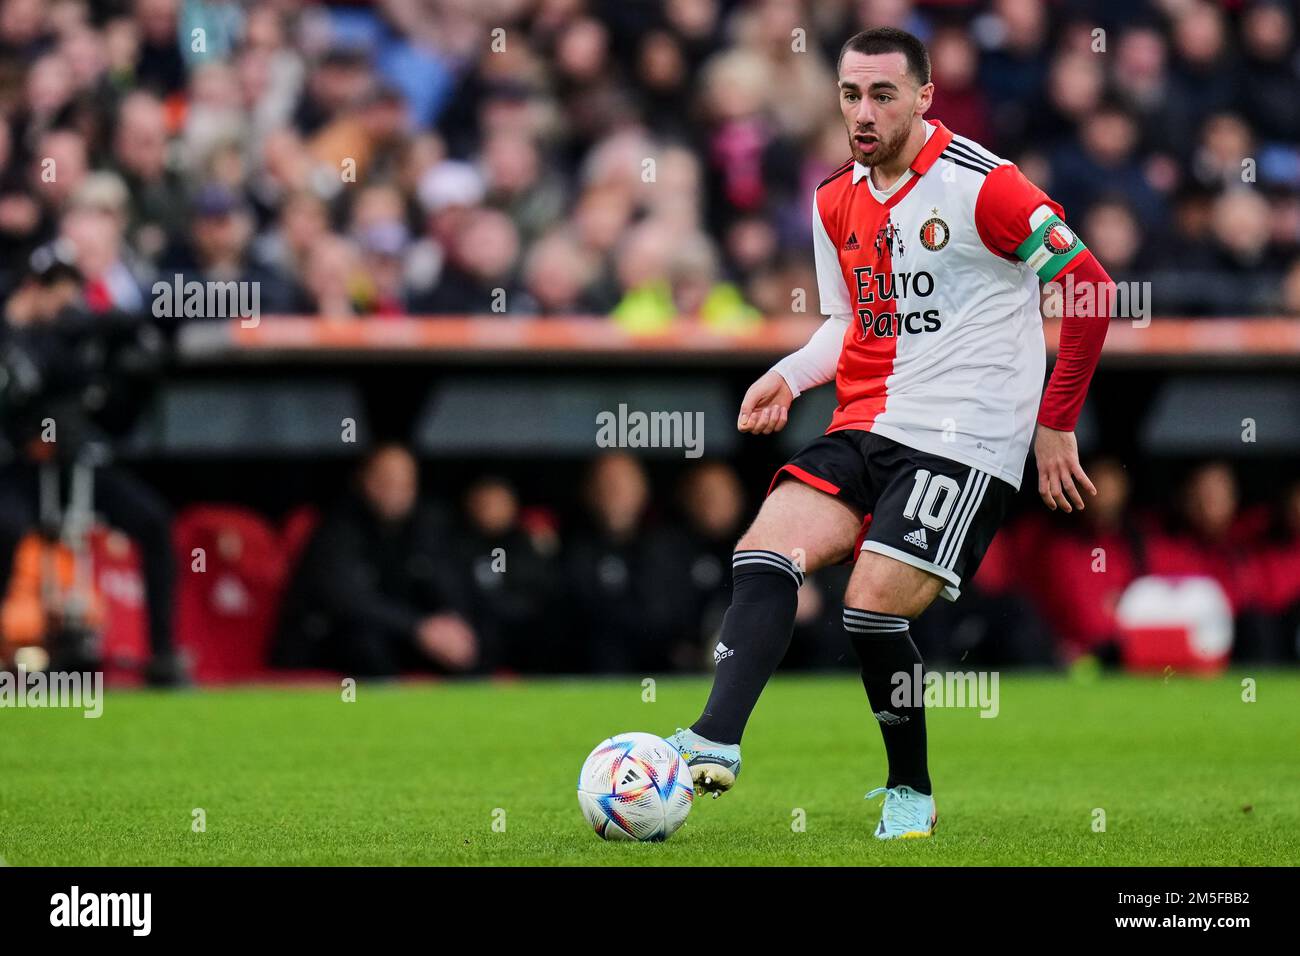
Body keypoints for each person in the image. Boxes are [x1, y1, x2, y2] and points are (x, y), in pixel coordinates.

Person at [664, 27, 1113, 839]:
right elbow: (845, 320)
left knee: (870, 611)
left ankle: (912, 789)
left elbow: (1088, 287)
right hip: (867, 418)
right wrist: (790, 374)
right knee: (764, 553)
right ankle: (715, 741)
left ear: (924, 97)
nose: (862, 112)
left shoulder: (986, 187)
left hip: (966, 436)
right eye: (849, 94)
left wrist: (1055, 424)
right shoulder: (832, 196)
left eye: (882, 94)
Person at [271, 445, 477, 677]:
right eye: (386, 480)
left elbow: (448, 580)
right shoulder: (338, 526)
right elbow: (346, 600)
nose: (396, 490)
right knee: (365, 642)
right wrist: (417, 626)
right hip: (331, 639)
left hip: (402, 633)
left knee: (473, 640)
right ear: (364, 479)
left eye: (405, 483)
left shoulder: (426, 524)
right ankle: (384, 713)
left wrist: (452, 621)